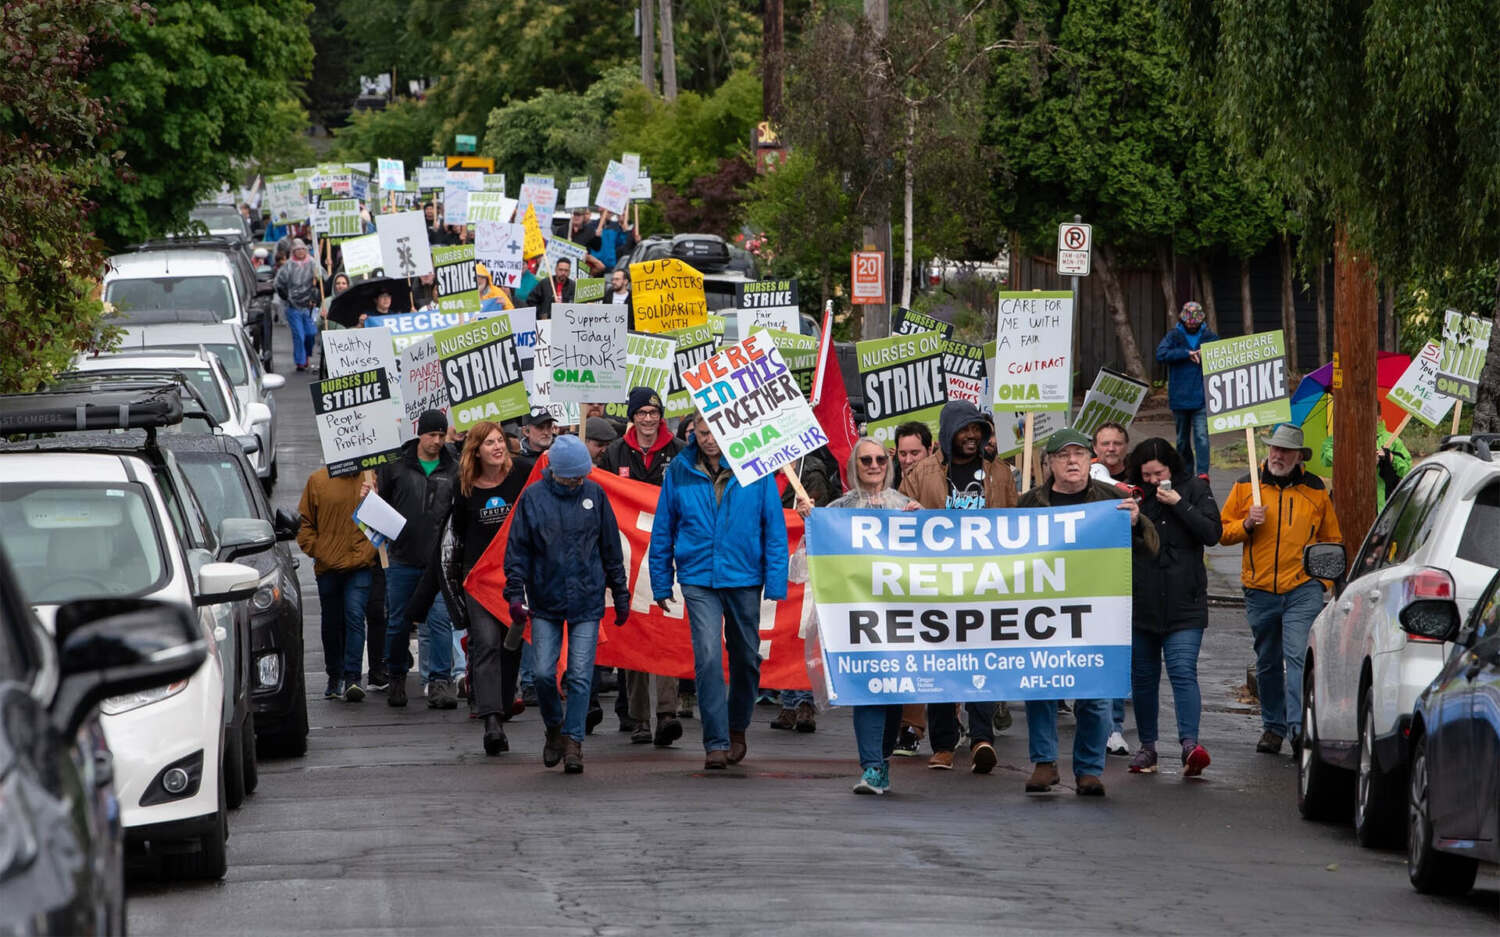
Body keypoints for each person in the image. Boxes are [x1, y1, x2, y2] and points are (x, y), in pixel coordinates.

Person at [1019, 429, 1158, 797]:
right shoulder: (1028, 504)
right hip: (1042, 614)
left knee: (1095, 694)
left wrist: (1136, 523)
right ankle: (1044, 763)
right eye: (1063, 455)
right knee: (1040, 688)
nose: (1072, 461)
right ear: (1049, 463)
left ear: (1089, 459)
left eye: (1079, 454)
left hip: (1096, 613)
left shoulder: (1113, 500)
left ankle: (1089, 769)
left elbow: (1150, 548)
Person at [649, 412, 789, 769]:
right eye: (702, 432)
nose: (709, 439)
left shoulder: (755, 467)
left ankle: (737, 725)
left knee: (746, 657)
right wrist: (661, 580)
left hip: (744, 576)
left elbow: (774, 527)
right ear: (693, 433)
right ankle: (715, 741)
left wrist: (776, 581)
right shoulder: (680, 469)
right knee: (708, 656)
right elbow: (663, 527)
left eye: (714, 432)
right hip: (698, 577)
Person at [401, 422, 533, 755]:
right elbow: (454, 536)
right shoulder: (464, 488)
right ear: (476, 451)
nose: (498, 447)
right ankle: (491, 722)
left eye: (500, 440)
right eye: (489, 443)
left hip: (517, 580)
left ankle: (503, 705)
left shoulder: (521, 473)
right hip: (479, 581)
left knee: (510, 647)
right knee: (486, 643)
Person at [899, 401, 1016, 772]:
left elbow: (1016, 524)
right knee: (941, 663)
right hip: (937, 584)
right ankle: (943, 745)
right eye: (965, 429)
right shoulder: (921, 473)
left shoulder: (1000, 472)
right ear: (949, 431)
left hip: (986, 582)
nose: (972, 436)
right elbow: (896, 523)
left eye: (977, 429)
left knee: (983, 660)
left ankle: (982, 738)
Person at [505, 435, 629, 774]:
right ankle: (553, 728)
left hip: (587, 598)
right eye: (572, 476)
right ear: (556, 472)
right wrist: (515, 594)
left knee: (579, 675)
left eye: (581, 476)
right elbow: (517, 551)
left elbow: (610, 547)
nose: (577, 482)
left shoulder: (595, 495)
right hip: (545, 599)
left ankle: (574, 741)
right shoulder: (533, 498)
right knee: (544, 674)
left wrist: (620, 592)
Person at [1219, 424, 1342, 754]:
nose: (1277, 455)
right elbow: (1222, 532)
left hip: (1302, 589)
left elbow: (1331, 538)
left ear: (1300, 457)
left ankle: (1298, 729)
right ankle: (1273, 727)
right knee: (1268, 662)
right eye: (1274, 448)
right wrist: (1247, 523)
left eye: (1285, 451)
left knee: (1298, 656)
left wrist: (1322, 582)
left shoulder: (1316, 489)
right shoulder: (1247, 484)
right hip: (1259, 590)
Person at [823, 438, 921, 795]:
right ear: (854, 465)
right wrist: (812, 522)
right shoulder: (837, 509)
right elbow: (805, 564)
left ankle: (882, 759)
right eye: (866, 460)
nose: (875, 465)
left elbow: (932, 558)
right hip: (856, 614)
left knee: (891, 691)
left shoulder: (906, 506)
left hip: (899, 614)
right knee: (867, 688)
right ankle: (872, 766)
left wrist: (921, 522)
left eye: (881, 459)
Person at [1122, 438, 1221, 777]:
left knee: (1182, 671)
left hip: (1184, 604)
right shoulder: (1135, 496)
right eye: (1147, 475)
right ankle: (1147, 747)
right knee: (1143, 677)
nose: (1153, 481)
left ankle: (1190, 745)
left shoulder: (1195, 488)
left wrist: (1180, 504)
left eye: (1159, 473)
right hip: (1142, 604)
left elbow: (1212, 533)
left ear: (1171, 468)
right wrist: (1132, 521)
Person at [598, 387, 686, 743]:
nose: (648, 419)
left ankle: (666, 714)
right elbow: (602, 496)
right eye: (641, 413)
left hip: (670, 554)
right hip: (629, 557)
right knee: (633, 634)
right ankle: (639, 719)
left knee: (667, 632)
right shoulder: (615, 452)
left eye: (653, 413)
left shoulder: (680, 451)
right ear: (632, 417)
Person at [367, 409, 459, 709]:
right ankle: (396, 674)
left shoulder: (452, 468)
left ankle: (440, 681)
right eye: (432, 435)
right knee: (398, 623)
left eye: (441, 435)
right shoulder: (396, 466)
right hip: (403, 558)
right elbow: (380, 505)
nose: (437, 441)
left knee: (441, 620)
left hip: (438, 562)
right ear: (420, 434)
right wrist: (370, 497)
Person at [771, 446, 840, 733]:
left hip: (804, 561)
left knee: (801, 631)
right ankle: (788, 701)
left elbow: (818, 517)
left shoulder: (810, 472)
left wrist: (804, 512)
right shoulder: (766, 474)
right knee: (783, 630)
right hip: (778, 559)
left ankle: (804, 701)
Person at [296, 465, 377, 702]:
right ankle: (335, 676)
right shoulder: (318, 480)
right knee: (331, 622)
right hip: (328, 566)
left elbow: (382, 518)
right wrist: (317, 550)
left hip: (359, 564)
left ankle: (353, 678)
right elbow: (304, 521)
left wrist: (369, 550)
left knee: (354, 616)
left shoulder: (369, 477)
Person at [1088, 421, 1133, 755]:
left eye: (1117, 443)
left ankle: (1114, 727)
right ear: (1095, 447)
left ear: (1126, 447)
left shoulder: (1136, 480)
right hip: (1087, 580)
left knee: (1115, 654)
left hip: (1121, 581)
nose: (1111, 448)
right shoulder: (1083, 480)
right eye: (1105, 443)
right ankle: (1094, 723)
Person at [1155, 301, 1219, 476]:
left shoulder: (1209, 336)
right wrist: (1185, 354)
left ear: (1201, 320)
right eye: (1188, 321)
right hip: (1179, 396)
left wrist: (1205, 354)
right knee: (1182, 441)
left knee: (1202, 438)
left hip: (1202, 397)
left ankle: (1203, 475)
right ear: (1182, 319)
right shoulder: (1174, 336)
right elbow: (1161, 354)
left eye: (1195, 321)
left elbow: (1222, 356)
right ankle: (1185, 473)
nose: (1191, 324)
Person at [1320, 420, 1412, 510]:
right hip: (1350, 503)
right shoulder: (1343, 436)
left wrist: (1391, 458)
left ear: (1379, 417)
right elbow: (1325, 457)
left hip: (1382, 506)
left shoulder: (1393, 440)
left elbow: (1406, 470)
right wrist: (1357, 459)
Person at [274, 238, 325, 371]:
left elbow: (324, 279)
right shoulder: (288, 266)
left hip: (310, 306)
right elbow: (279, 284)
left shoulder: (313, 263)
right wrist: (287, 297)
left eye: (303, 249)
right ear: (293, 251)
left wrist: (319, 281)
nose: (301, 252)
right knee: (299, 335)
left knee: (311, 333)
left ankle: (306, 354)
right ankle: (300, 361)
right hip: (293, 307)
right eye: (298, 250)